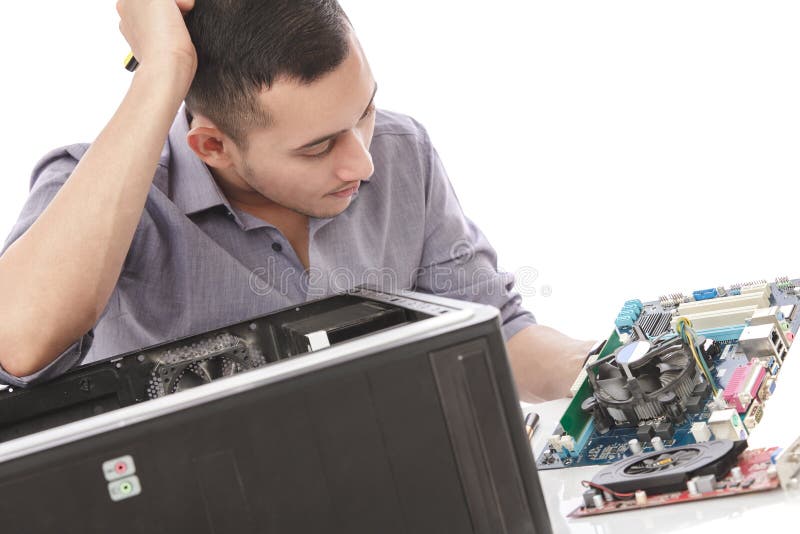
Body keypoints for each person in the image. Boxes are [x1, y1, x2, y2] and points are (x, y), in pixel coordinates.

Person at [0, 0, 592, 402]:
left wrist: (610, 367)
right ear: (212, 146)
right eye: (317, 148)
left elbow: (495, 333)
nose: (364, 162)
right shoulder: (98, 187)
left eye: (364, 111)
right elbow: (19, 344)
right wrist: (163, 70)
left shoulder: (402, 149)